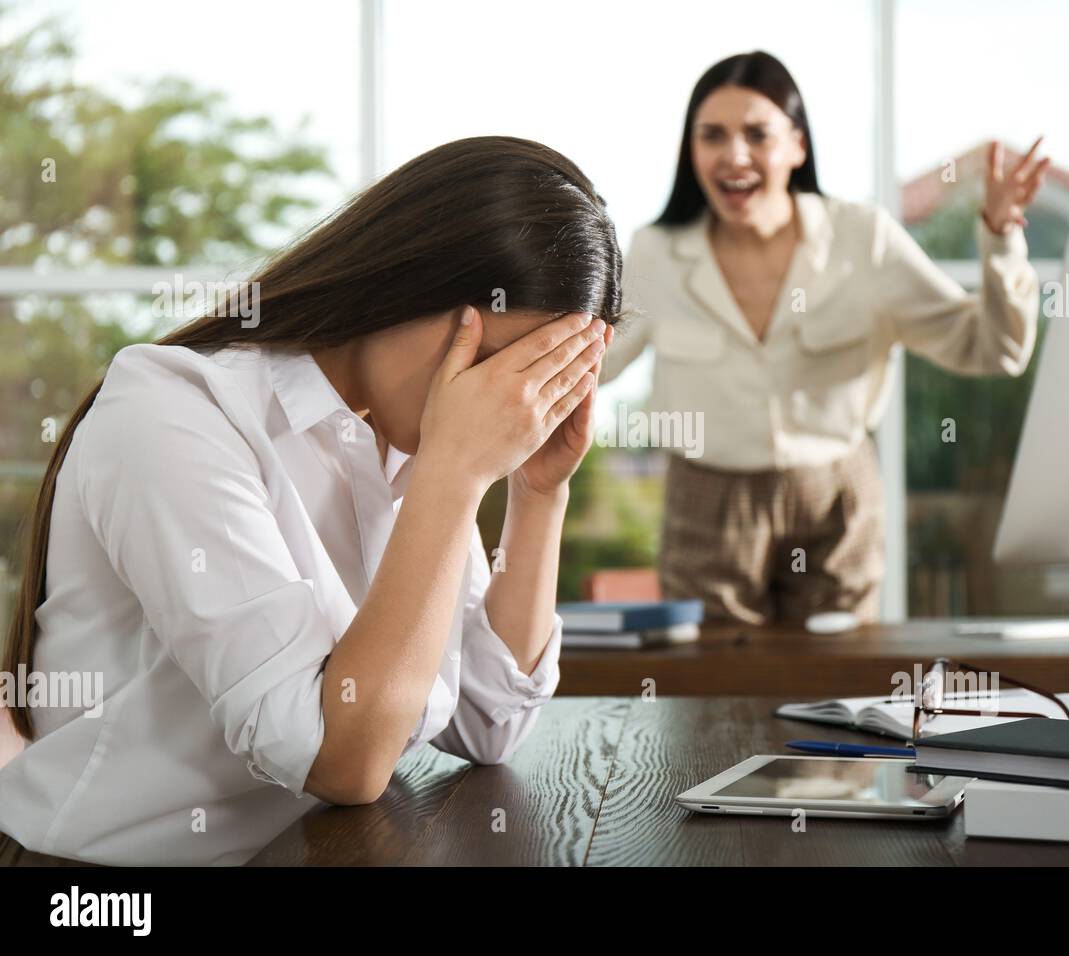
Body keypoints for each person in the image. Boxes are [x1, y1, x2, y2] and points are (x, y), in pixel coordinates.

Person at [0, 136, 620, 865]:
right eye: (490, 366)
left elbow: (489, 721)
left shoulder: (402, 446)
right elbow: (341, 762)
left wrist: (539, 491)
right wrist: (452, 476)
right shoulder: (175, 413)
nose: (498, 404)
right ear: (406, 282)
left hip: (324, 848)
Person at [601, 51, 1048, 625]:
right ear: (692, 150)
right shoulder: (656, 251)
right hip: (706, 504)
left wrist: (1000, 237)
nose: (734, 154)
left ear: (797, 145)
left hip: (836, 501)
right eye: (712, 135)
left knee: (839, 673)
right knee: (713, 676)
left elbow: (992, 347)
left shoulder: (864, 239)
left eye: (757, 134)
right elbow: (595, 363)